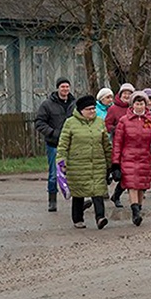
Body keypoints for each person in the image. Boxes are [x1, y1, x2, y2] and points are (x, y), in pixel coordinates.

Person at [109, 90, 151, 226]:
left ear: (145, 105)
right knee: (132, 185)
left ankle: (138, 208)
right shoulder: (124, 121)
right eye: (137, 103)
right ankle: (135, 212)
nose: (139, 106)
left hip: (145, 158)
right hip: (128, 157)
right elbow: (118, 143)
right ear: (132, 105)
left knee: (141, 186)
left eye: (142, 103)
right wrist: (115, 163)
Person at [56, 94, 111, 230]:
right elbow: (63, 144)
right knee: (79, 193)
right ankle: (78, 219)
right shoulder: (70, 123)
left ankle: (100, 218)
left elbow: (106, 144)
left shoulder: (99, 122)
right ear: (81, 110)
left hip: (97, 163)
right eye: (89, 109)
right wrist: (61, 161)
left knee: (98, 191)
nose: (92, 111)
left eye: (93, 109)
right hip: (77, 164)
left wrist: (111, 162)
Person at [34, 76, 76, 213]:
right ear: (58, 88)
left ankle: (77, 199)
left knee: (75, 172)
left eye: (67, 87)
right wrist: (52, 133)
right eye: (62, 86)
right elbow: (39, 123)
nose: (65, 89)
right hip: (54, 144)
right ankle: (52, 200)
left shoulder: (74, 104)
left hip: (72, 144)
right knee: (53, 173)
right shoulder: (47, 105)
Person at [104, 82, 134, 208]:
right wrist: (117, 128)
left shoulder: (135, 108)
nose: (127, 96)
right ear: (120, 94)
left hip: (134, 146)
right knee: (124, 174)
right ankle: (115, 194)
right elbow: (107, 124)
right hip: (119, 145)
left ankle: (118, 196)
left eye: (129, 93)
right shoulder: (113, 109)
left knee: (131, 174)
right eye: (125, 93)